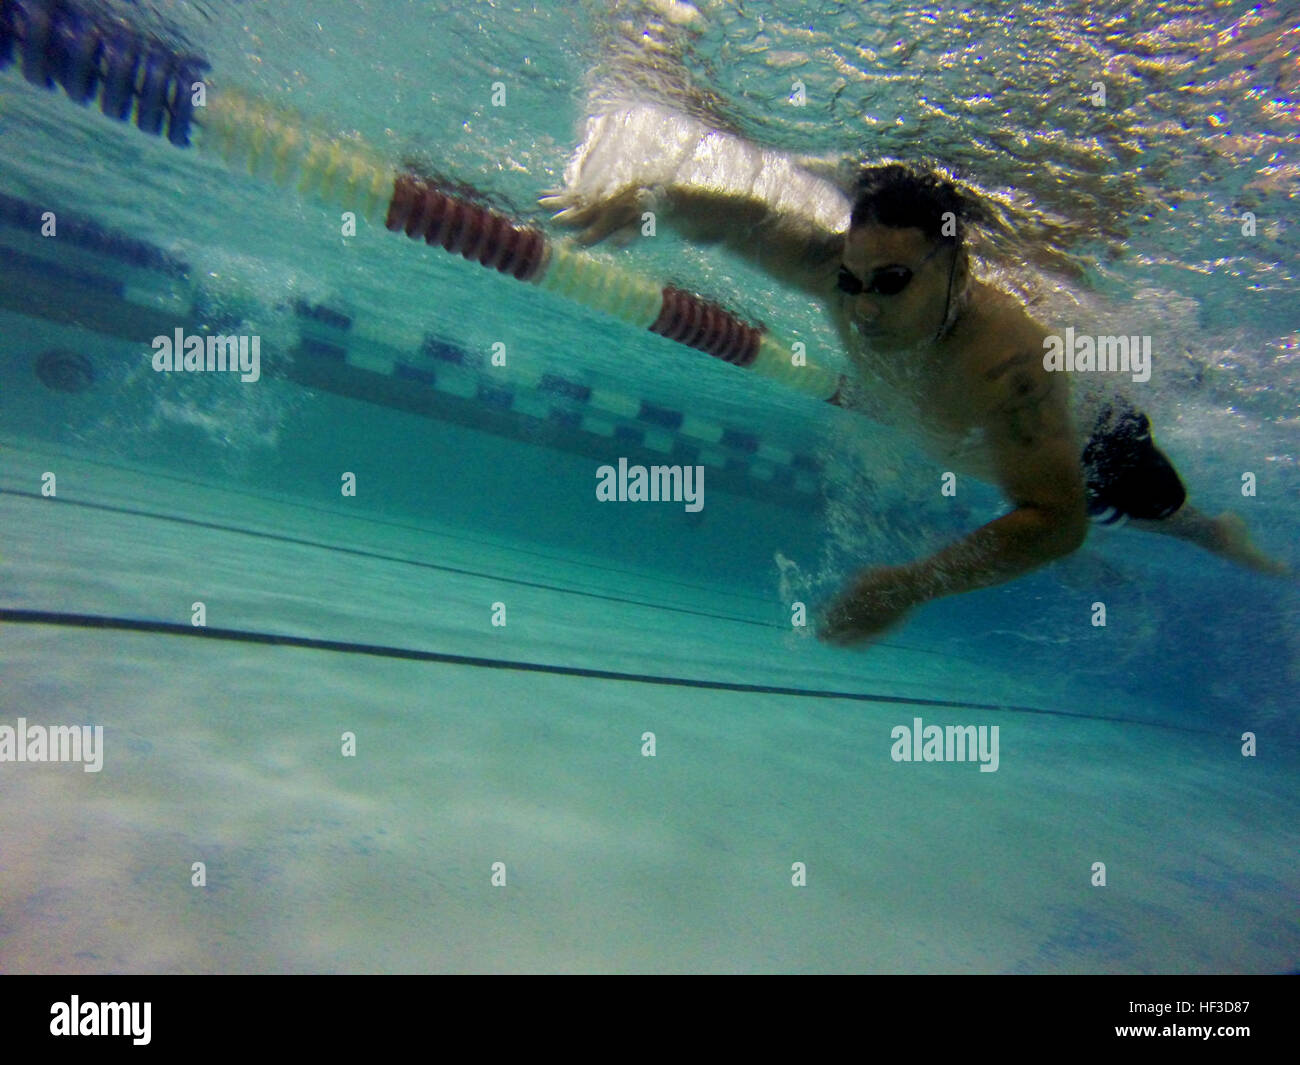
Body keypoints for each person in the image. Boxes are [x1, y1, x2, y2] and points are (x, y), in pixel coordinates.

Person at [544, 154, 1289, 646]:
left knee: (1144, 510)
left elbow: (1056, 523)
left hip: (1096, 444)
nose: (864, 309)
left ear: (956, 267)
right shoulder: (839, 272)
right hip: (985, 449)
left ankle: (1215, 532)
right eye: (854, 280)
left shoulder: (1009, 366)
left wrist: (910, 585)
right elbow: (743, 221)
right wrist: (648, 205)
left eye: (893, 282)